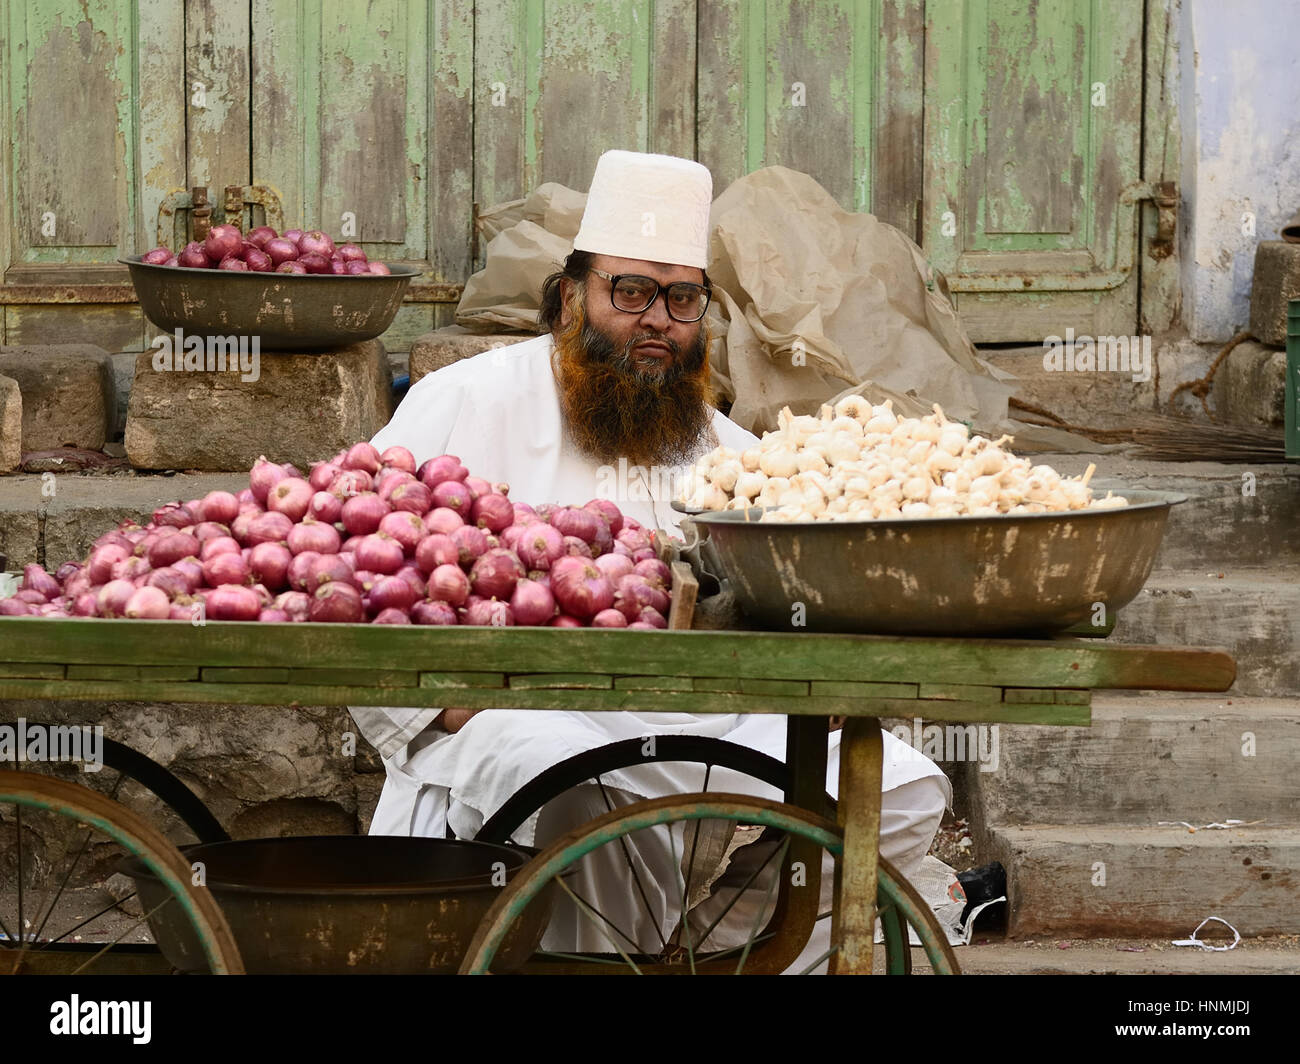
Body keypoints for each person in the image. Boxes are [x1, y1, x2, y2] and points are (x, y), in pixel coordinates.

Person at [349, 150, 951, 968]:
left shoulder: (732, 454)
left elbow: (785, 595)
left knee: (906, 789)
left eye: (681, 298)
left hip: (702, 723)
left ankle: (715, 960)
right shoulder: (465, 401)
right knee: (572, 780)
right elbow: (355, 576)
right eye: (628, 291)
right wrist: (437, 711)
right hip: (523, 717)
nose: (656, 318)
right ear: (570, 298)